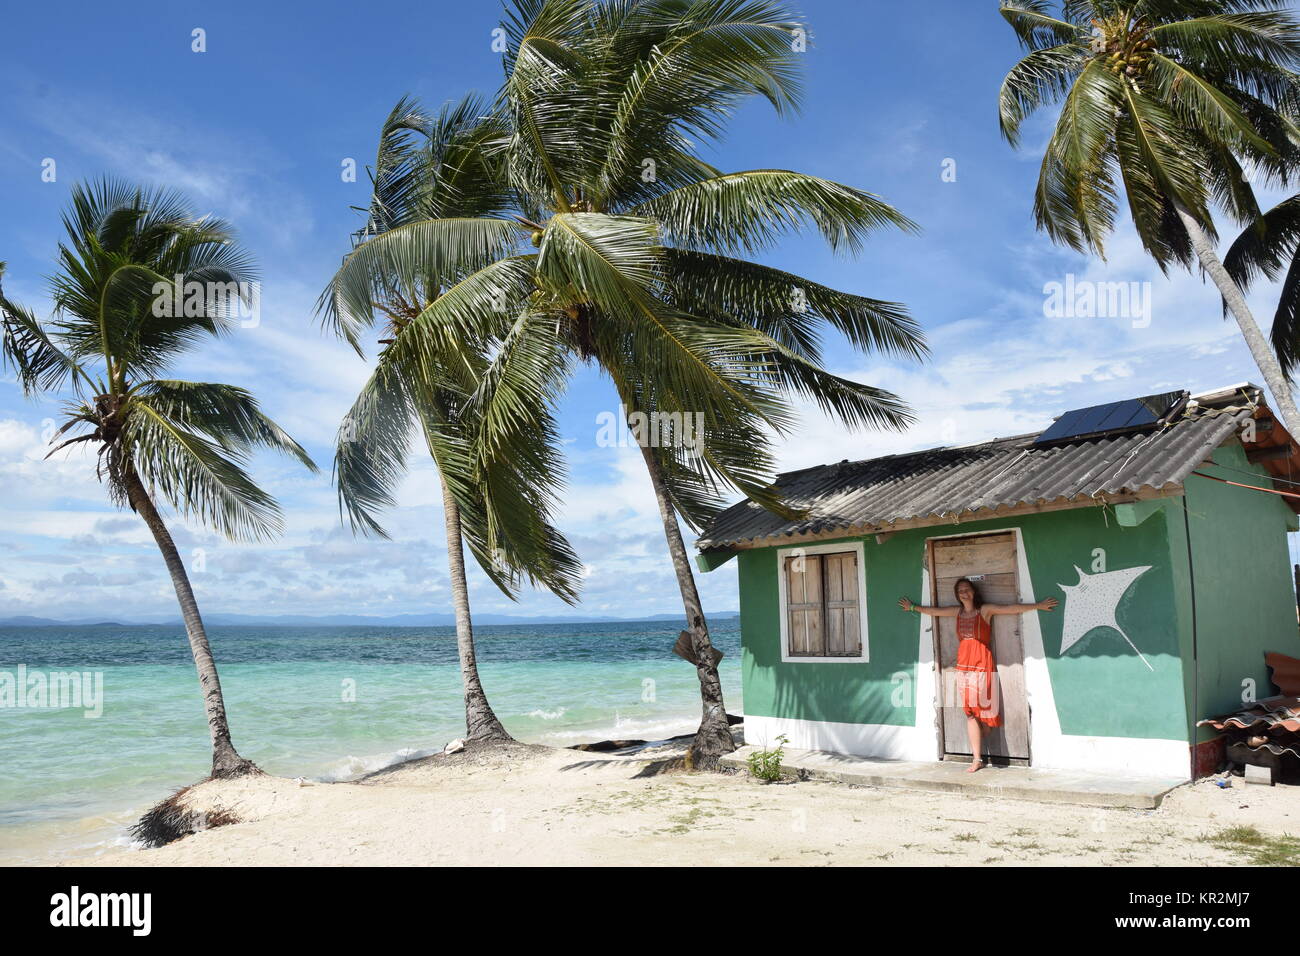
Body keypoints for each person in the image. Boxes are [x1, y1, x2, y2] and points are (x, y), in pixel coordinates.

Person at [898, 579, 1057, 772]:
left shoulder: (985, 611)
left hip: (982, 662)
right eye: (960, 591)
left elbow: (1010, 608)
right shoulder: (956, 612)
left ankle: (986, 732)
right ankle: (977, 759)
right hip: (963, 664)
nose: (964, 593)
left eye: (967, 589)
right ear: (957, 595)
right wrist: (913, 607)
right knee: (970, 711)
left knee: (983, 706)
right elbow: (934, 612)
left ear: (973, 591)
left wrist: (1038, 606)